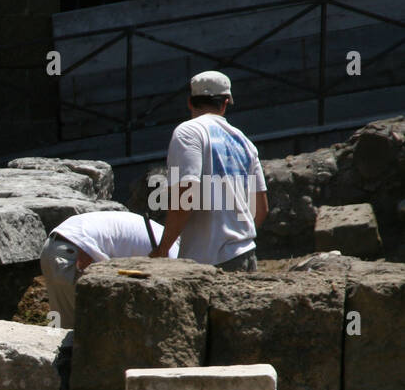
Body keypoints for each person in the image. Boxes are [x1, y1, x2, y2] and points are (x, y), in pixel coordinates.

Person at [152, 70, 268, 271]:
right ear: (224, 104)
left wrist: (163, 249)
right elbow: (261, 208)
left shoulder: (188, 132)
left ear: (190, 102)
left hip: (210, 261)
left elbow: (186, 197)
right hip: (246, 254)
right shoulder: (243, 141)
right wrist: (237, 240)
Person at [39, 210, 179, 328]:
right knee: (90, 329)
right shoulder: (173, 254)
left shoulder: (164, 238)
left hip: (53, 246)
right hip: (75, 253)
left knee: (63, 329)